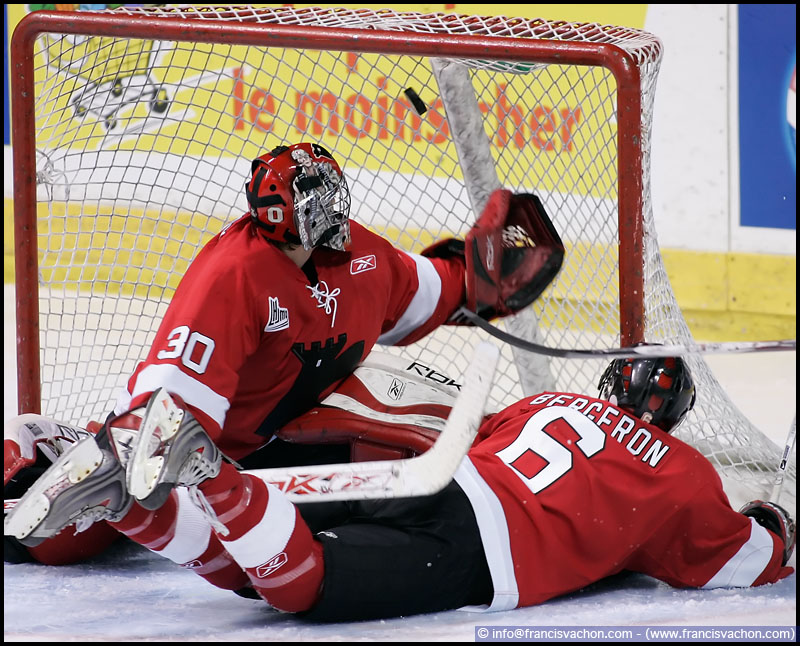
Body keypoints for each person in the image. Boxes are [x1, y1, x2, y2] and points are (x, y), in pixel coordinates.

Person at [3, 142, 564, 581]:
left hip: (283, 445)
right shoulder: (232, 276)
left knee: (391, 417)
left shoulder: (366, 258)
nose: (335, 208)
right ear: (294, 212)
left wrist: (491, 272)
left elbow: (450, 288)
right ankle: (58, 464)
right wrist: (135, 459)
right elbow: (165, 418)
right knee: (53, 535)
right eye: (321, 198)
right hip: (211, 466)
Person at [6, 352, 795, 621]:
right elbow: (750, 562)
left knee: (250, 567)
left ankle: (128, 506)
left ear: (610, 384)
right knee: (298, 588)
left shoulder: (549, 402)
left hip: (436, 477)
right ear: (676, 418)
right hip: (480, 553)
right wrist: (777, 517)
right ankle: (207, 471)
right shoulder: (683, 474)